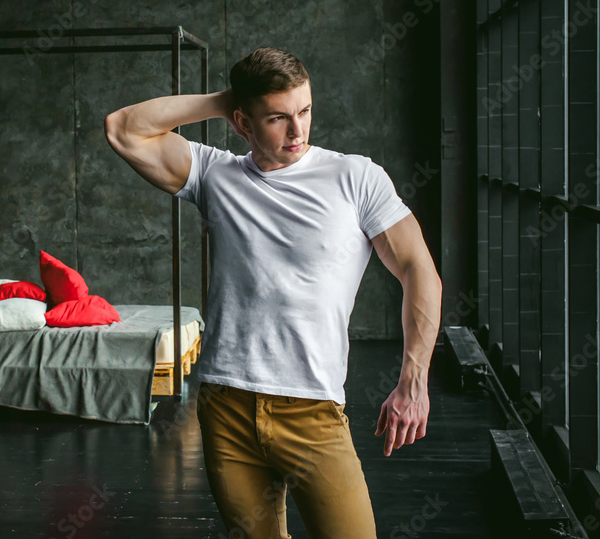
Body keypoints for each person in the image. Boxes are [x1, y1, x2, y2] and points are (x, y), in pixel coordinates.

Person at [104, 47, 442, 539]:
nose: (297, 130)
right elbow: (122, 128)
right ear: (242, 122)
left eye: (304, 111)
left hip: (312, 409)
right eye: (278, 117)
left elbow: (419, 269)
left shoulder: (355, 178)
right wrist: (223, 100)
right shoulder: (215, 173)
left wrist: (414, 379)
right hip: (226, 406)